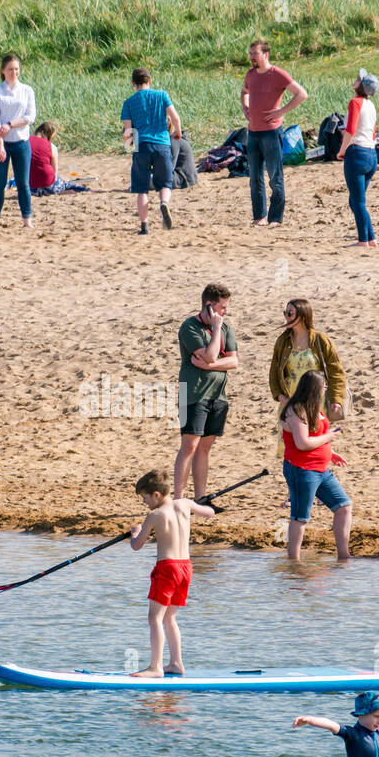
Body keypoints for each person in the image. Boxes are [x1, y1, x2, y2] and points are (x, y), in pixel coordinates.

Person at [128, 469, 215, 678]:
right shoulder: (185, 504)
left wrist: (134, 533)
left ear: (156, 495)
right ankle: (176, 663)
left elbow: (136, 546)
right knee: (170, 617)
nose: (144, 502)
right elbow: (210, 513)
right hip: (186, 567)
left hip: (167, 568)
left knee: (154, 618)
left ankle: (155, 667)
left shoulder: (154, 515)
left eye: (145, 498)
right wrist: (203, 503)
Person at [175, 285, 238, 500]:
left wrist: (209, 367)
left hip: (217, 395)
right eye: (222, 308)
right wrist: (216, 329)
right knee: (189, 445)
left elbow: (234, 361)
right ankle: (179, 499)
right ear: (209, 306)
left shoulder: (226, 328)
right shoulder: (189, 327)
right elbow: (211, 355)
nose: (225, 312)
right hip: (192, 394)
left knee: (205, 447)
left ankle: (200, 497)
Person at [281, 370, 351, 561]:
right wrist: (330, 437)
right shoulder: (296, 411)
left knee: (343, 506)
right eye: (323, 387)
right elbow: (302, 443)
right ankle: (293, 563)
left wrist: (330, 452)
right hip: (302, 470)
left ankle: (344, 557)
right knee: (300, 516)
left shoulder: (314, 408)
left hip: (321, 470)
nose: (325, 391)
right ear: (314, 389)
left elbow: (315, 437)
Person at [241, 40, 306, 228]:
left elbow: (301, 94)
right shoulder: (250, 74)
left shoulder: (276, 74)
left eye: (255, 53)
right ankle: (259, 216)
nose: (252, 56)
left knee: (275, 177)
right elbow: (244, 91)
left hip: (271, 132)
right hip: (253, 132)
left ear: (266, 54)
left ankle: (275, 218)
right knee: (254, 178)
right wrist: (245, 107)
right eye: (250, 53)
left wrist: (281, 111)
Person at [121, 66, 181, 234]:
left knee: (141, 188)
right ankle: (163, 203)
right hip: (162, 143)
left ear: (133, 83)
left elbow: (128, 132)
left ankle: (144, 225)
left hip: (142, 146)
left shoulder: (129, 102)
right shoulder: (161, 96)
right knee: (165, 183)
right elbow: (175, 117)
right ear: (150, 81)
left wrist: (129, 145)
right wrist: (178, 132)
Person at [268, 298, 346, 421]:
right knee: (288, 439)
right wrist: (280, 397)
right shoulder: (283, 341)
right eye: (285, 313)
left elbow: (336, 372)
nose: (286, 317)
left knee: (314, 438)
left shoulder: (320, 340)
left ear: (303, 315)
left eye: (290, 313)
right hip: (290, 402)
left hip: (316, 402)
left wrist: (337, 400)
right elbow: (274, 372)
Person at [0, 52, 36, 229]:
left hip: (21, 141)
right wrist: (0, 145)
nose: (14, 72)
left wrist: (11, 124)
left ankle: (27, 219)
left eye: (16, 69)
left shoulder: (27, 90)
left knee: (23, 183)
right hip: (2, 143)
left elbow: (30, 116)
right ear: (3, 71)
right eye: (10, 69)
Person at [336, 68, 379, 247]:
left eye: (357, 79)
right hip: (371, 154)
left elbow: (351, 129)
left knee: (358, 201)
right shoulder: (371, 105)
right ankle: (371, 238)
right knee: (355, 201)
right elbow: (373, 132)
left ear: (361, 86)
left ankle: (363, 240)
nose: (354, 80)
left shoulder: (355, 102)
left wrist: (342, 150)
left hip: (357, 153)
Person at [26, 121, 88, 195]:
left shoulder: (25, 142)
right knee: (67, 185)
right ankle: (85, 190)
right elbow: (54, 172)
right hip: (49, 185)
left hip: (31, 187)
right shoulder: (51, 146)